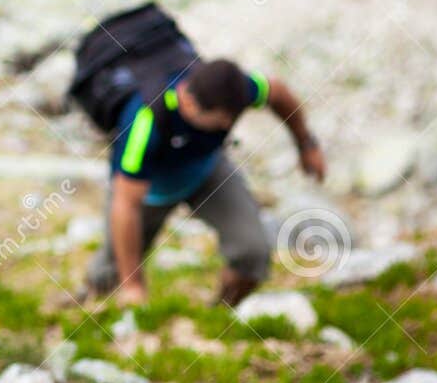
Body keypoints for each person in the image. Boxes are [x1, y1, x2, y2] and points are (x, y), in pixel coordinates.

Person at [84, 58, 326, 309]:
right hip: (149, 192)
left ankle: (222, 312)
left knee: (252, 252)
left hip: (206, 172)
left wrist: (306, 144)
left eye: (232, 119)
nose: (226, 126)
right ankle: (88, 303)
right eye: (220, 119)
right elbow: (126, 204)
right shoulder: (145, 121)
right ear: (188, 102)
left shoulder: (236, 90)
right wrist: (132, 285)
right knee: (108, 275)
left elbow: (277, 91)